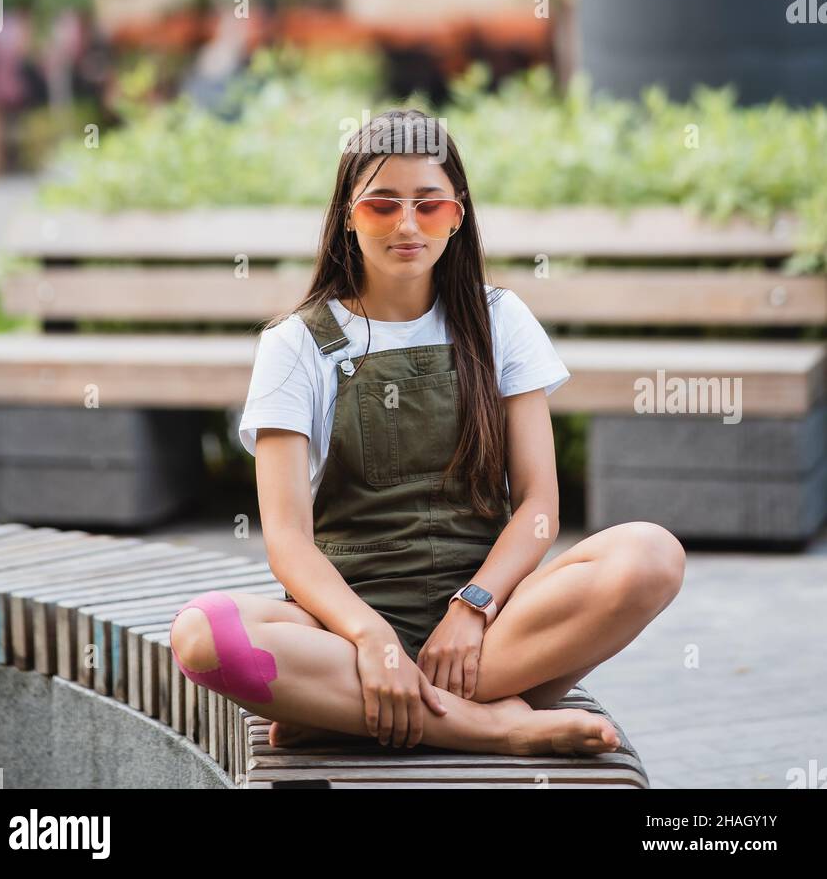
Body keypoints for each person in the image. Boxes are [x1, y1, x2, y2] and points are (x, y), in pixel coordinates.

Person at [170, 108, 685, 757]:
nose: (408, 225)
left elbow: (538, 508)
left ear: (458, 215)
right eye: (382, 205)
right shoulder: (295, 343)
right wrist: (371, 637)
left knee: (652, 553)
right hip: (344, 628)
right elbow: (288, 544)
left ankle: (344, 709)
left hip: (488, 628)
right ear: (349, 216)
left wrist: (472, 607)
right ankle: (491, 726)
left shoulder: (502, 320)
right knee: (201, 634)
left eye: (430, 205)